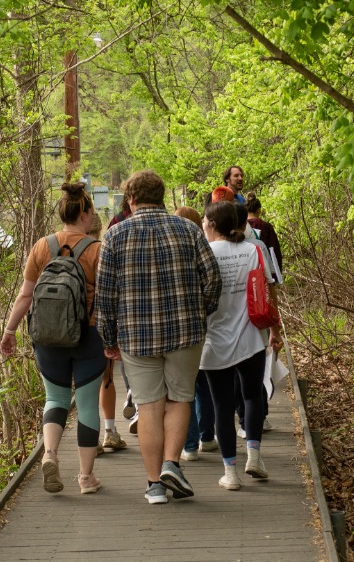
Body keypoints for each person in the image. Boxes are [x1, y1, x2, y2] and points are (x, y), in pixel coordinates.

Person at [94, 170, 221, 505]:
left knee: (149, 405)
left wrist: (108, 338)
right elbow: (213, 280)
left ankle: (154, 486)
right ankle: (171, 464)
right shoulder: (189, 229)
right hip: (185, 331)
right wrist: (199, 311)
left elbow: (105, 296)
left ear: (131, 199)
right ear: (162, 196)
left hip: (136, 337)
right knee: (180, 398)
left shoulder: (116, 236)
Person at [0, 183, 107, 495]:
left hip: (47, 336)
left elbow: (25, 295)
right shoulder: (97, 250)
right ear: (86, 215)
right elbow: (107, 299)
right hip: (88, 336)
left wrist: (9, 331)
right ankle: (86, 478)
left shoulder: (41, 246)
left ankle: (49, 454)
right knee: (87, 406)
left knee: (55, 399)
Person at [200, 200, 282, 490]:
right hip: (251, 337)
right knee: (252, 396)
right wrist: (275, 329)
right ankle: (255, 457)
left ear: (212, 225)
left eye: (205, 221)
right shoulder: (252, 250)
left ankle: (230, 474)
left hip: (214, 340)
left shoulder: (204, 253)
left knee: (222, 405)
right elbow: (266, 291)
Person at [175, 206, 218, 461]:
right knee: (205, 386)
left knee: (185, 389)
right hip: (208, 327)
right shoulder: (204, 248)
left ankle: (189, 445)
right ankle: (207, 437)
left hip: (184, 329)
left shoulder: (174, 251)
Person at [88, 212, 127, 453]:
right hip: (99, 323)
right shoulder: (102, 250)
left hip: (69, 326)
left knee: (84, 383)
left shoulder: (59, 246)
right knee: (106, 379)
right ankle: (109, 432)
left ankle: (89, 435)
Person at [245, 196, 283, 270]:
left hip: (246, 268)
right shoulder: (266, 226)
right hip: (265, 268)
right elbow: (275, 251)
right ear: (259, 210)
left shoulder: (239, 227)